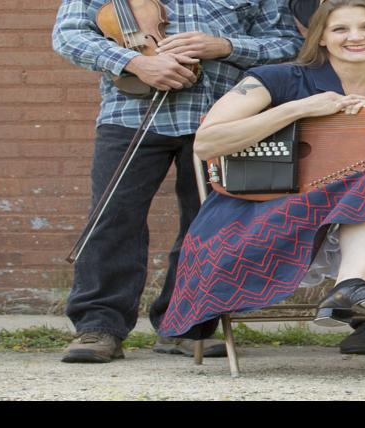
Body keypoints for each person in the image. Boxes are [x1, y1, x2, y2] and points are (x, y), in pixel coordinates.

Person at [156, 0, 365, 381]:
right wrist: (299, 109)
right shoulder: (277, 78)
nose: (355, 37)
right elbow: (208, 143)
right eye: (340, 29)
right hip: (263, 208)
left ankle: (352, 287)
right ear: (321, 39)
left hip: (364, 212)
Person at [52, 0, 301, 363]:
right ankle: (99, 325)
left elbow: (286, 43)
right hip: (129, 113)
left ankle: (183, 326)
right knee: (113, 219)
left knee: (208, 225)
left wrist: (226, 46)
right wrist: (136, 62)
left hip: (222, 119)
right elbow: (69, 35)